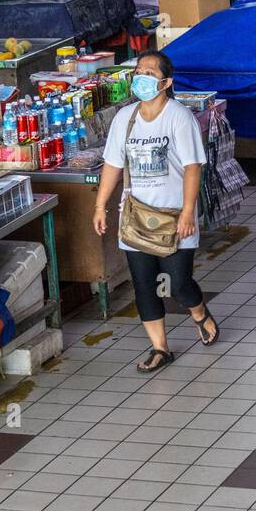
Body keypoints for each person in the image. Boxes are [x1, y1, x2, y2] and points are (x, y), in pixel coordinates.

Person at [94, 51, 218, 373]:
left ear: (166, 82)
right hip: (135, 217)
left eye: (149, 71)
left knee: (179, 284)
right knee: (144, 285)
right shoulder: (125, 118)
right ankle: (160, 348)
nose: (142, 76)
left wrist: (189, 212)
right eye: (138, 70)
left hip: (176, 215)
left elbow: (193, 167)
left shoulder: (179, 117)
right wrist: (100, 206)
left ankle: (199, 311)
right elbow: (112, 165)